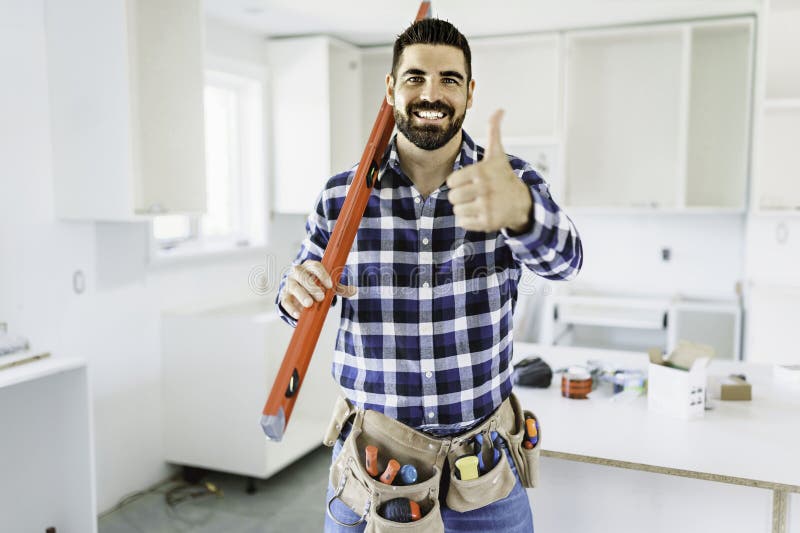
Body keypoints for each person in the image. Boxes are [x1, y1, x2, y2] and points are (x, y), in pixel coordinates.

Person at [276, 18, 583, 533]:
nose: (432, 93)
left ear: (469, 92)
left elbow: (566, 263)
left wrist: (522, 213)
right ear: (392, 89)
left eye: (449, 79)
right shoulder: (340, 197)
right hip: (372, 467)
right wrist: (292, 293)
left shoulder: (507, 183)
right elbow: (299, 299)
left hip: (482, 469)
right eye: (416, 78)